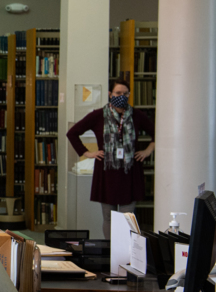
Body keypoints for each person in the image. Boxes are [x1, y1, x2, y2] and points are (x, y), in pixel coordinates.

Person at [65, 78, 156, 241]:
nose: (121, 96)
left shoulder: (137, 115)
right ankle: (110, 252)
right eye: (117, 93)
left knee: (128, 218)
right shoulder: (98, 115)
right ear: (110, 94)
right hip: (107, 173)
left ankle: (127, 254)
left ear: (129, 95)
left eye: (125, 93)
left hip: (130, 172)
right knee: (109, 218)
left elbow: (157, 133)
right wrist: (87, 153)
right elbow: (72, 133)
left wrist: (148, 151)